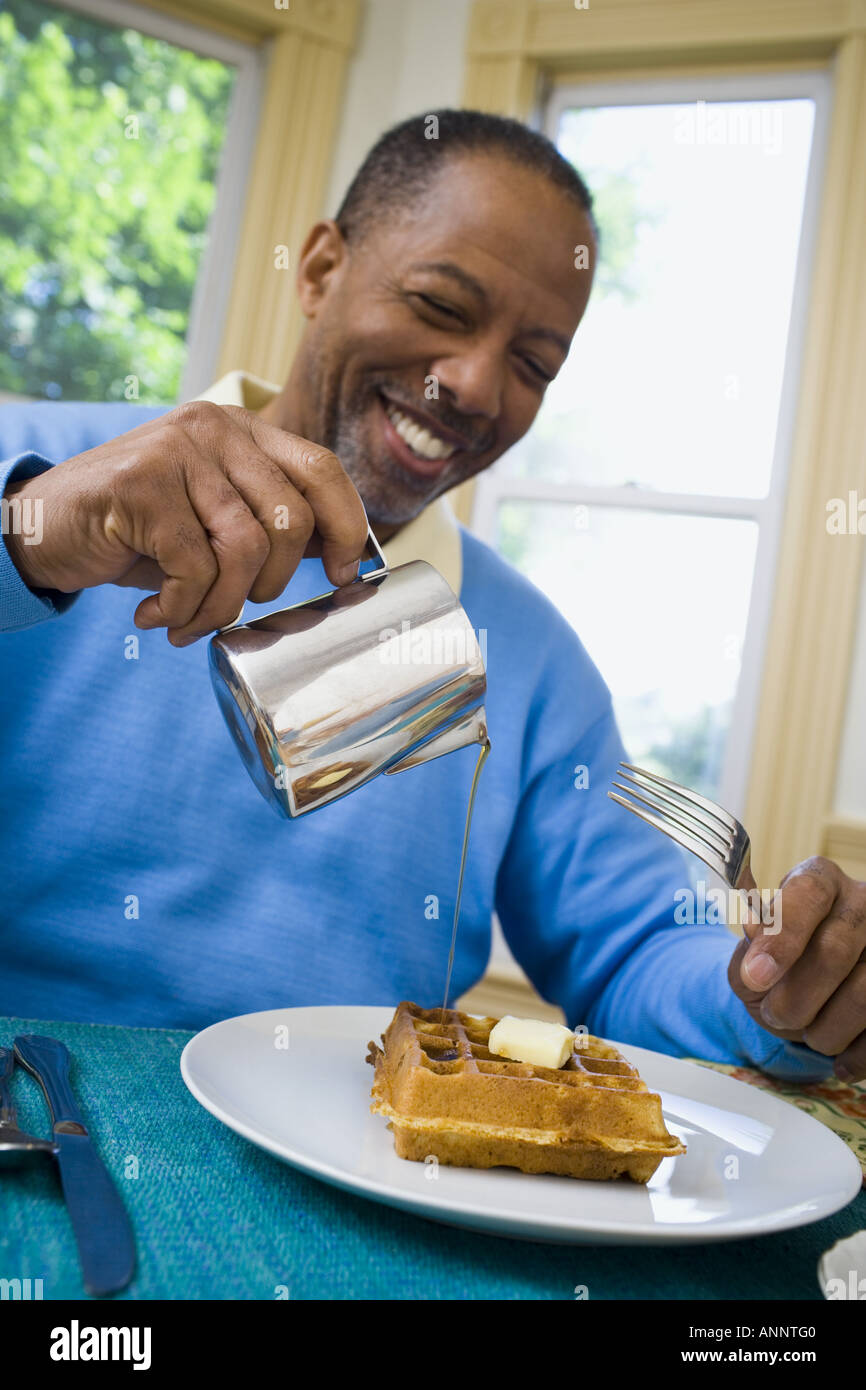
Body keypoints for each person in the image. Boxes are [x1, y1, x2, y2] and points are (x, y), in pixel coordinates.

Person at [1, 111, 863, 1083]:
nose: (473, 384)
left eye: (532, 364)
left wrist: (773, 988)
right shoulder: (44, 470)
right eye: (441, 307)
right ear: (321, 269)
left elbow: (633, 953)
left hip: (355, 1189)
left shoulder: (529, 662)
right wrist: (28, 537)